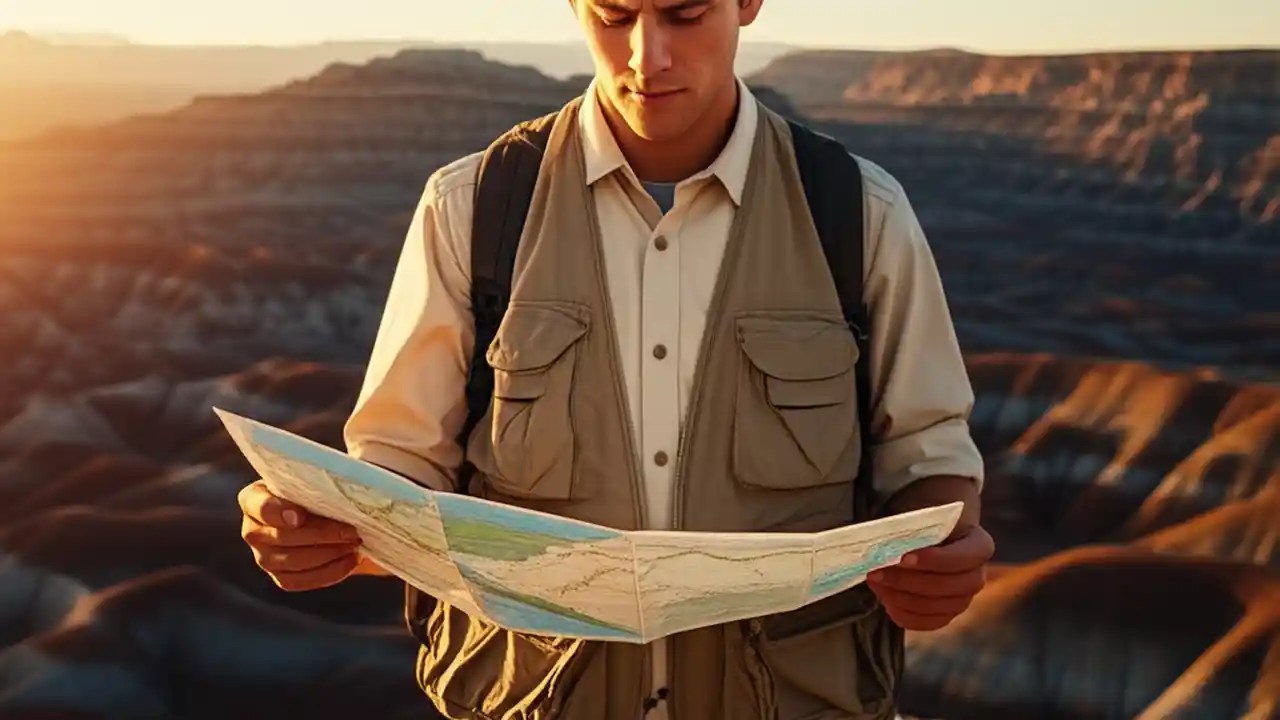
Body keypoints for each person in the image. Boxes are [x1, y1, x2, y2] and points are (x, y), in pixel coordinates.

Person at [238, 1, 994, 718]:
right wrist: (317, 531)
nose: (647, 55)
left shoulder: (861, 213)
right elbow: (398, 480)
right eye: (614, 15)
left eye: (684, 14)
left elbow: (929, 459)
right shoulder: (471, 210)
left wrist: (946, 554)